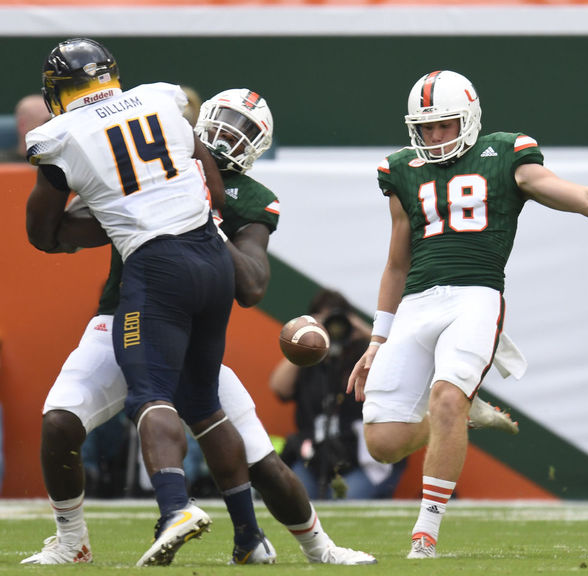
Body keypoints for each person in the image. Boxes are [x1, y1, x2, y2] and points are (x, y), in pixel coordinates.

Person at [22, 83, 375, 566]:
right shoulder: (148, 165)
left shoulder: (251, 199)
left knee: (257, 455)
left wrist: (199, 218)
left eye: (244, 130)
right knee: (60, 420)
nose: (228, 135)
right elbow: (64, 230)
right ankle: (71, 541)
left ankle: (313, 547)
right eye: (223, 122)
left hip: (184, 327)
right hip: (119, 318)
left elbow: (252, 286)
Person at [347, 70, 588, 559]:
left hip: (474, 296)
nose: (435, 136)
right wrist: (377, 340)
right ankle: (461, 413)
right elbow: (397, 263)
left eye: (445, 125)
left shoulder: (507, 155)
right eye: (426, 127)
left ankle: (425, 535)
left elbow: (582, 198)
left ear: (468, 119)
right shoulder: (401, 170)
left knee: (446, 398)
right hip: (418, 303)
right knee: (382, 443)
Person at [24, 38, 267, 567]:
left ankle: (175, 508)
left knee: (150, 396)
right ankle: (250, 537)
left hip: (156, 271)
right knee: (204, 406)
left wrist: (104, 215)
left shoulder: (59, 135)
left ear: (57, 92)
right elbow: (211, 188)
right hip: (212, 261)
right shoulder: (160, 98)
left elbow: (41, 234)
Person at [270, 289, 405, 500]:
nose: (333, 329)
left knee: (342, 500)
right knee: (296, 500)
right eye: (325, 323)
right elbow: (279, 388)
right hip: (314, 456)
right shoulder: (308, 362)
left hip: (362, 459)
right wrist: (307, 340)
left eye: (338, 322)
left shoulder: (365, 357)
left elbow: (399, 372)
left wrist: (365, 334)